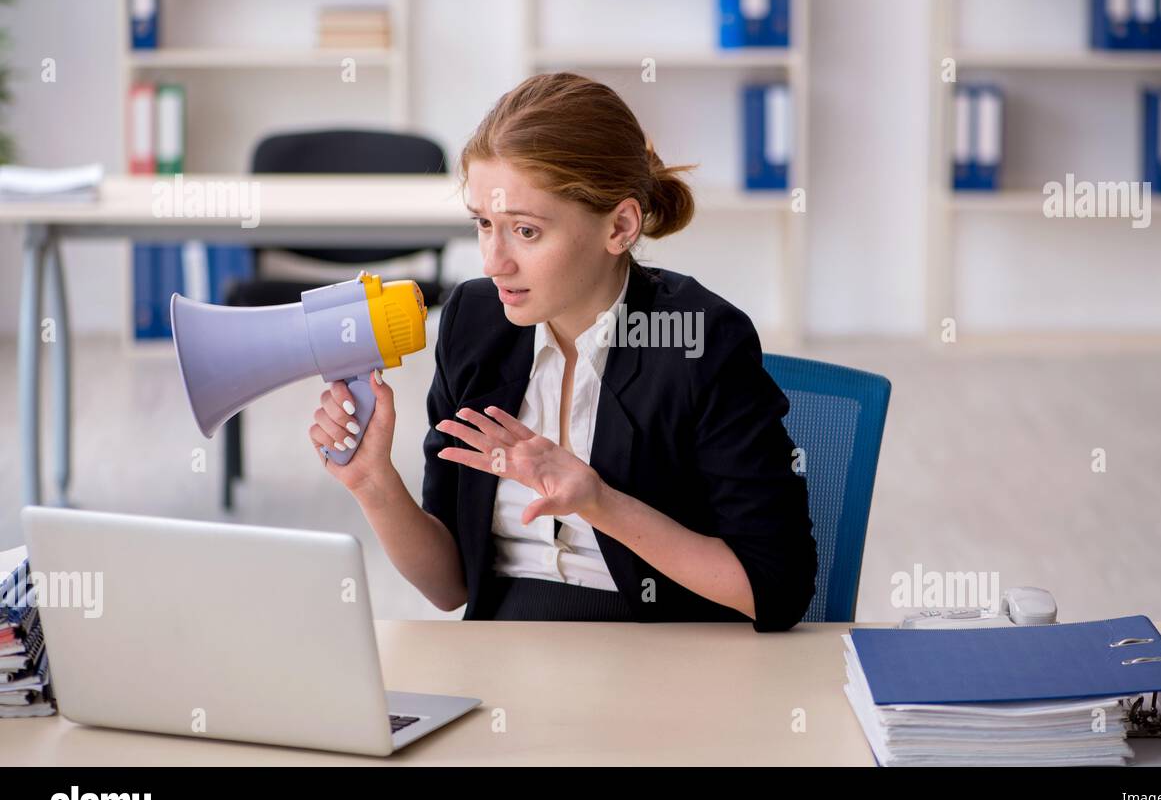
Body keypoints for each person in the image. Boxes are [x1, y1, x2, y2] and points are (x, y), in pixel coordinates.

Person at [309, 72, 815, 631]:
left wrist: (598, 502)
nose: (492, 262)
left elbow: (777, 589)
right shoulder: (475, 323)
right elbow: (450, 586)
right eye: (483, 224)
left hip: (659, 656)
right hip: (504, 651)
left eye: (525, 231)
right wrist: (372, 481)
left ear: (620, 225)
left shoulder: (701, 338)